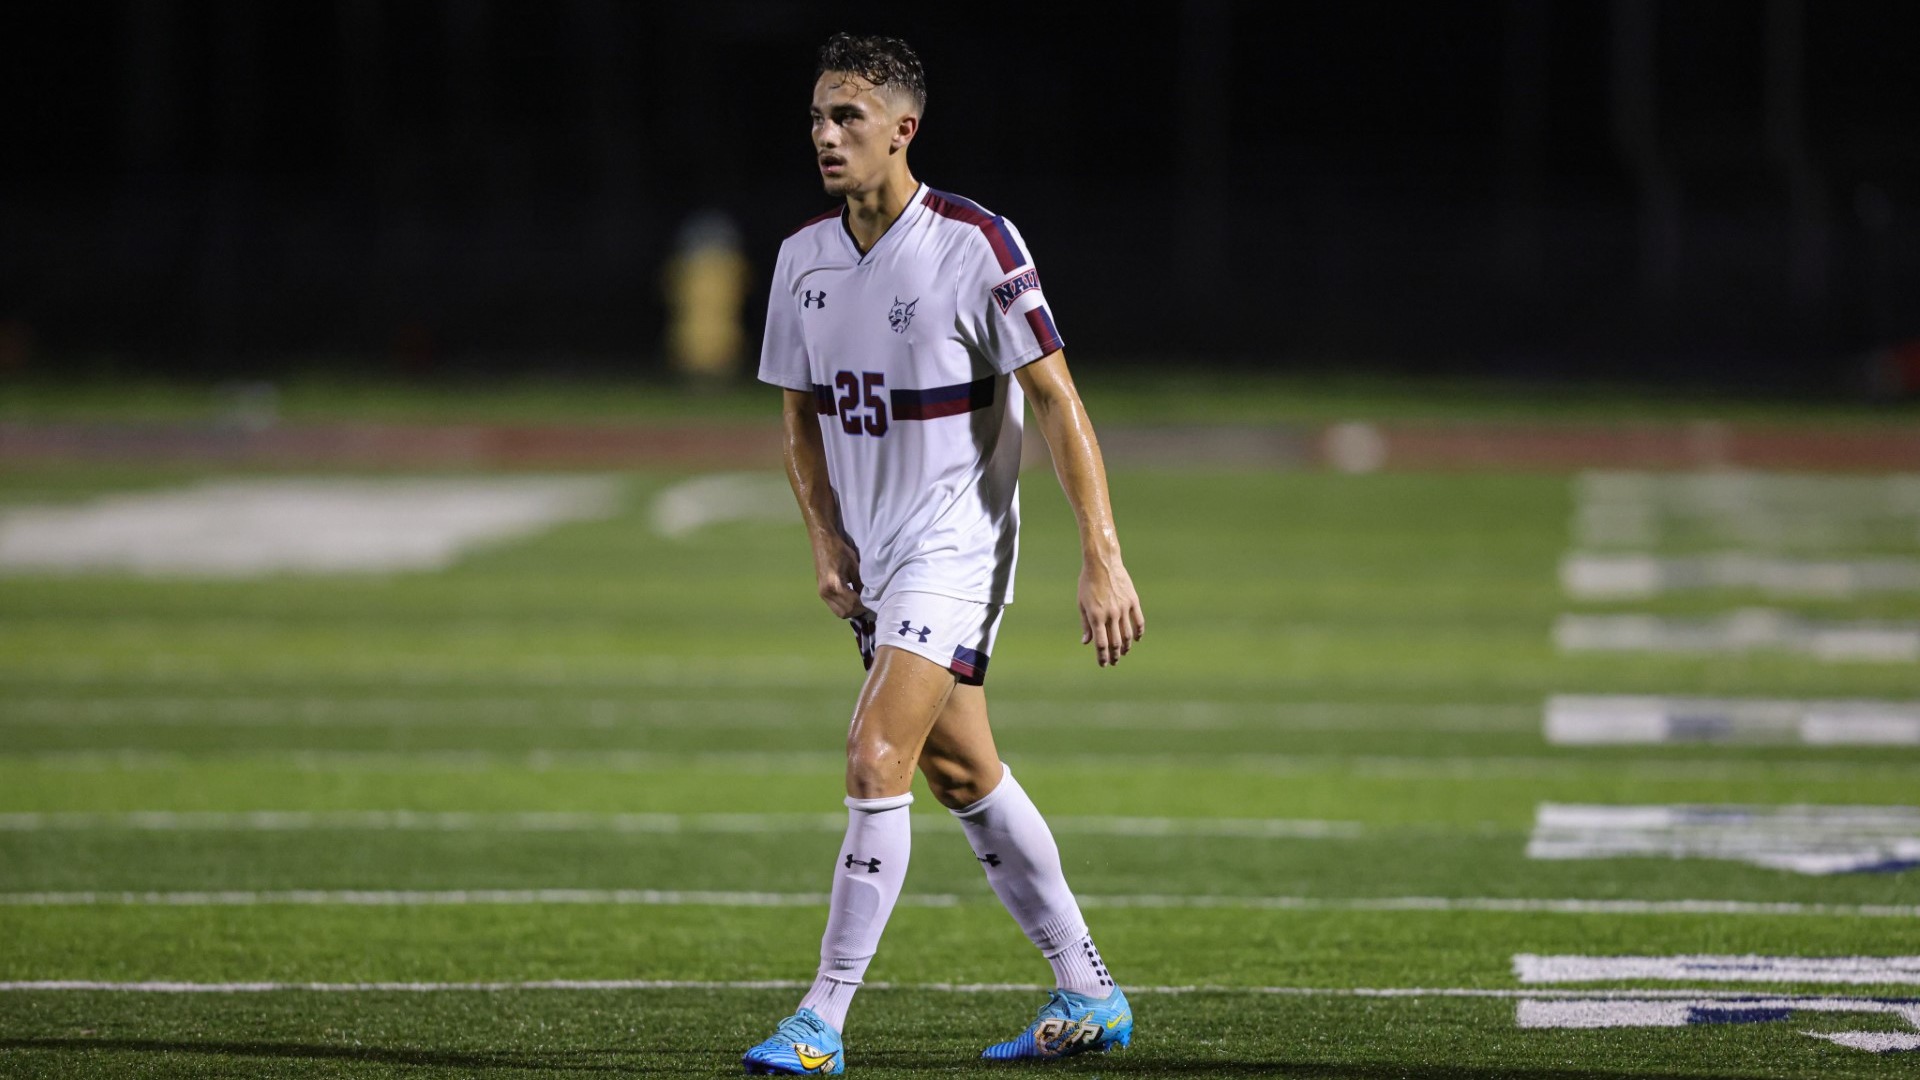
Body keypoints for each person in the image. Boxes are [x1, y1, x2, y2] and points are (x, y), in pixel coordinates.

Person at [742, 32, 1145, 1075]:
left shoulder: (974, 243)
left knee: (875, 752)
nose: (827, 137)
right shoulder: (802, 260)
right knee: (961, 770)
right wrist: (826, 537)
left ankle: (822, 1021)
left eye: (850, 119)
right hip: (877, 558)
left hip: (957, 550)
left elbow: (1056, 400)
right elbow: (799, 418)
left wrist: (1102, 553)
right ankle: (1090, 990)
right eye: (820, 119)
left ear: (903, 129)